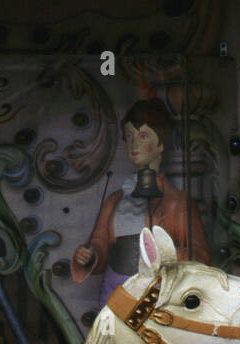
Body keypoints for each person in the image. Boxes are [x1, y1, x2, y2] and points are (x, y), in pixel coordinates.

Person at [72, 98, 210, 305]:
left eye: (143, 136)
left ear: (161, 143)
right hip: (115, 287)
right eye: (129, 136)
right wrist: (90, 254)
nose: (134, 144)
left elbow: (200, 256)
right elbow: (99, 241)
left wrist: (169, 256)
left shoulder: (177, 203)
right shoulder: (115, 200)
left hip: (157, 291)